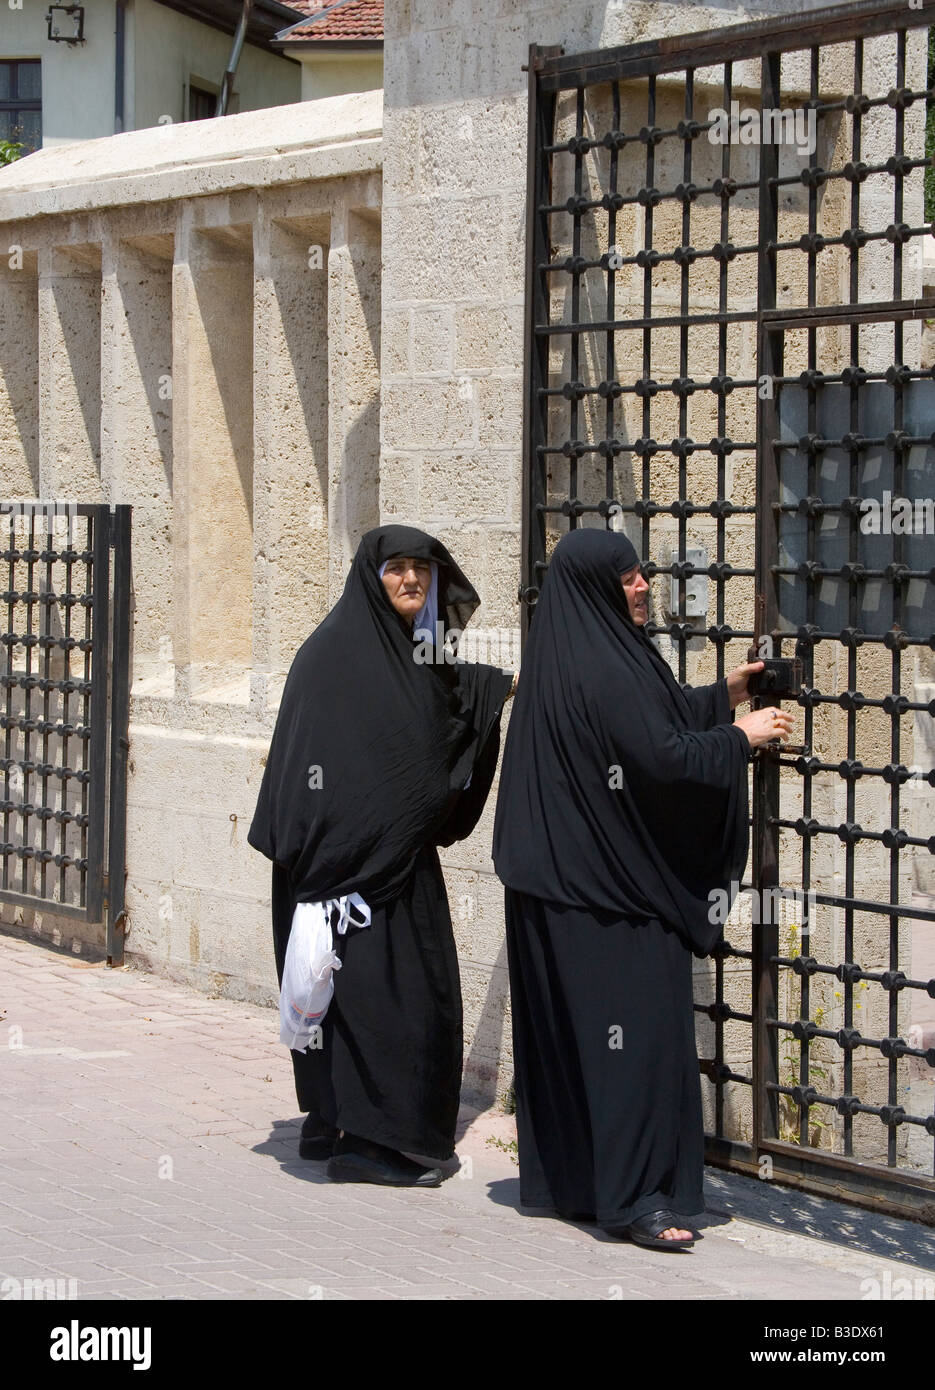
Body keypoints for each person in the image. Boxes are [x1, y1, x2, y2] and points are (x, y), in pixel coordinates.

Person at [492, 527, 793, 1248]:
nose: (641, 585)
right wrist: (738, 739)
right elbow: (656, 757)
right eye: (627, 577)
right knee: (634, 1049)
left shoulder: (572, 655)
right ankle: (636, 1202)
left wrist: (720, 696)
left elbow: (638, 727)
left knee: (580, 1048)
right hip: (607, 900)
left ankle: (580, 1187)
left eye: (641, 573)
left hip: (557, 888)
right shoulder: (601, 666)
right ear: (597, 585)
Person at [248, 525, 515, 1187]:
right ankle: (372, 1145)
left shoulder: (408, 653)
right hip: (345, 870)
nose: (412, 581)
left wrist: (496, 689)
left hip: (370, 862)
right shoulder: (333, 653)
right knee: (384, 1004)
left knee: (352, 1003)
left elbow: (443, 710)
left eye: (422, 571)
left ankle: (335, 1121)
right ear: (371, 576)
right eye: (397, 568)